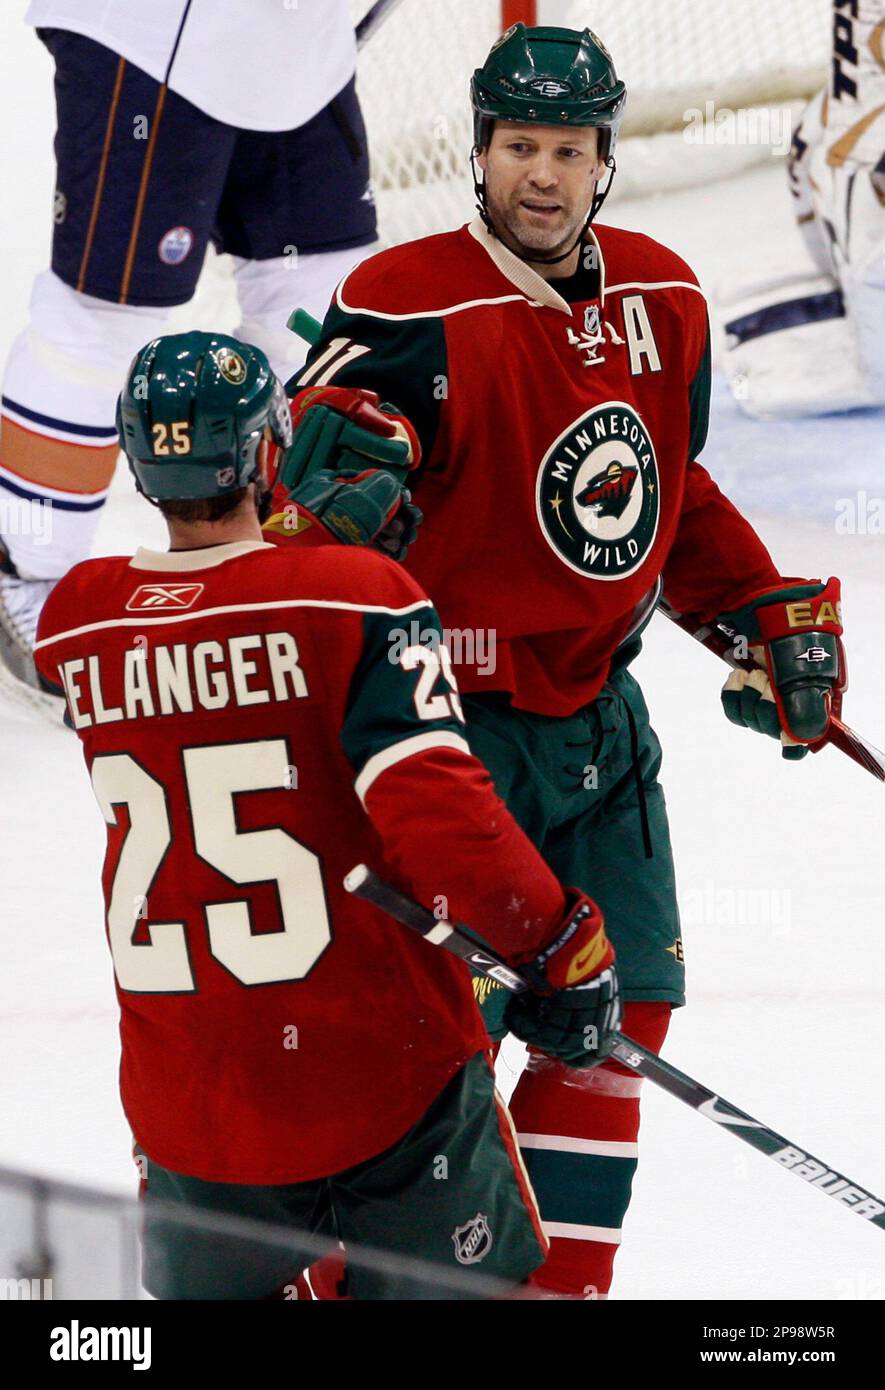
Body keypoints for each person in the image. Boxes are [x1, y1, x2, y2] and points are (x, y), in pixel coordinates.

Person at [275, 23, 847, 1299]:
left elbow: (666, 492)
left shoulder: (666, 294)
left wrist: (764, 609)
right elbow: (292, 532)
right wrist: (329, 502)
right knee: (435, 1058)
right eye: (519, 146)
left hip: (599, 731)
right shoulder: (402, 305)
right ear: (479, 153)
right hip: (442, 741)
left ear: (606, 161)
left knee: (621, 1025)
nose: (543, 174)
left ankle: (559, 1289)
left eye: (571, 150)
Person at [33, 330, 622, 1300]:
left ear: (138, 464)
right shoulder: (362, 596)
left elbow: (207, 635)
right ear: (269, 452)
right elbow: (445, 824)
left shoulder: (79, 618)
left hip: (196, 1109)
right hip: (385, 1085)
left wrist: (296, 539)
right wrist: (558, 940)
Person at [1, 0, 379, 705]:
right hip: (149, 36)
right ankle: (28, 567)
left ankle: (269, 561)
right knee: (104, 317)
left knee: (320, 298)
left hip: (298, 42)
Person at [719, 0, 885, 418]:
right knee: (878, 376)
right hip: (863, 177)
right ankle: (753, 357)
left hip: (827, 137)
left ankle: (741, 328)